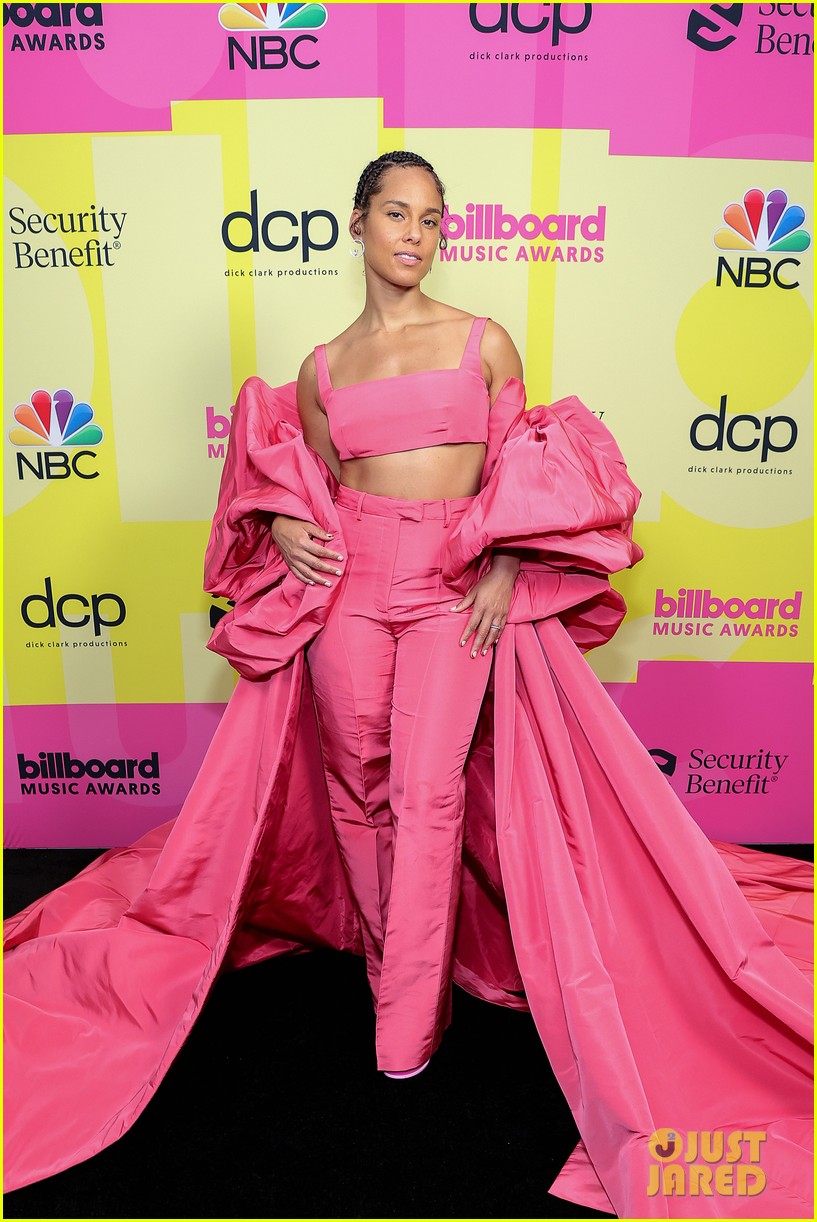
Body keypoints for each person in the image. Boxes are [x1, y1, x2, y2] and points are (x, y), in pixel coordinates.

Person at [3, 152, 813, 1217]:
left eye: (432, 217)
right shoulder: (322, 366)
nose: (416, 233)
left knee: (429, 796)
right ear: (357, 222)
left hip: (448, 586)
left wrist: (509, 566)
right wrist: (290, 524)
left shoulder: (482, 342)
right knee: (357, 789)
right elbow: (294, 481)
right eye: (397, 213)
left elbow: (531, 470)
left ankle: (407, 1023)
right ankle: (391, 961)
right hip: (347, 582)